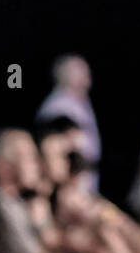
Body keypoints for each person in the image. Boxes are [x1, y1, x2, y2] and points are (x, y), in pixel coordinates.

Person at [36, 55, 101, 187]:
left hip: (85, 176)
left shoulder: (81, 102)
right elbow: (54, 150)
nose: (87, 74)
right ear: (65, 75)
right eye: (81, 70)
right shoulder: (59, 105)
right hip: (70, 181)